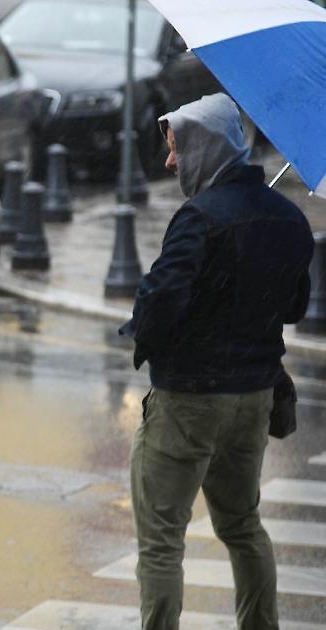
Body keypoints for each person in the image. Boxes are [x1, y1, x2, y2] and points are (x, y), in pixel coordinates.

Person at [121, 93, 314, 629]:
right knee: (243, 526)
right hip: (253, 398)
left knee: (161, 541)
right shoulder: (289, 219)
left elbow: (161, 299)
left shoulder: (199, 217)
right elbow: (296, 307)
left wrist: (143, 331)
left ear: (205, 149)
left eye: (177, 148)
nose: (170, 161)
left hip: (188, 400)